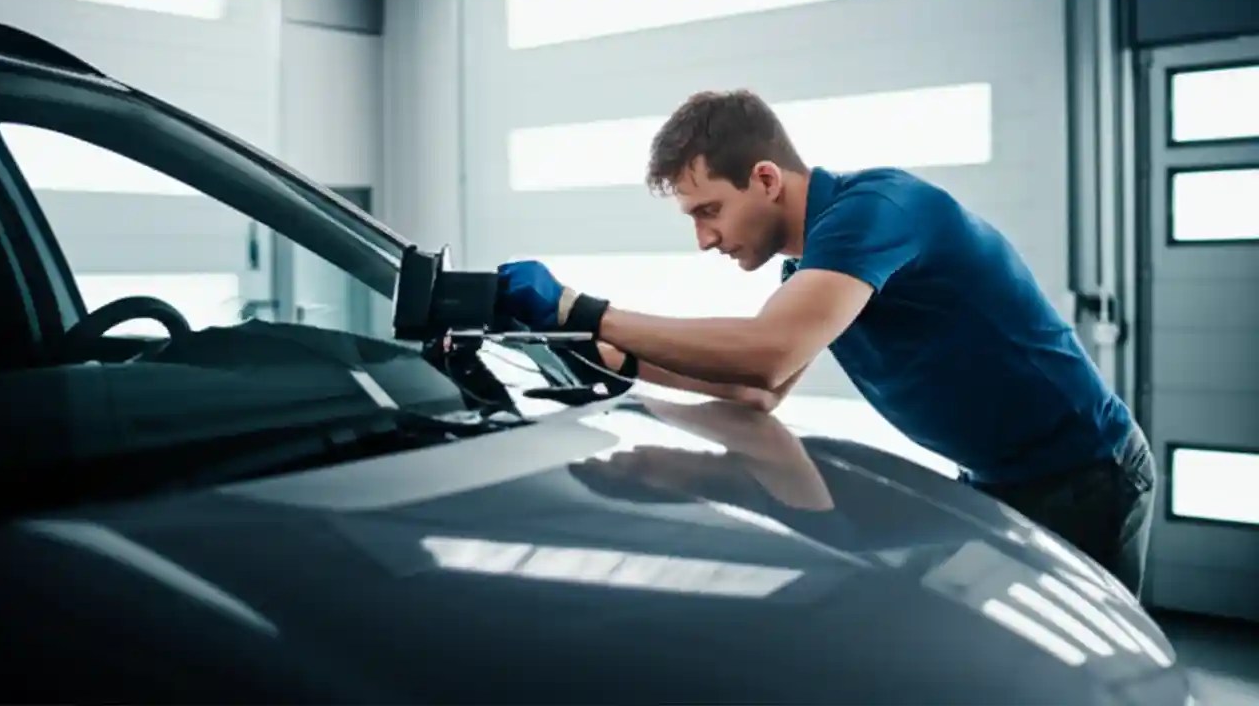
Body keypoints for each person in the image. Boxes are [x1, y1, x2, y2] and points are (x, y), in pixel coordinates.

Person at [494, 88, 1156, 597]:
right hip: (1002, 478)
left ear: (765, 179)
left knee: (1076, 679)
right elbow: (756, 390)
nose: (704, 239)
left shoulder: (879, 212)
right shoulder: (813, 264)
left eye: (709, 211)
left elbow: (768, 352)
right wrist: (606, 354)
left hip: (1088, 472)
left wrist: (578, 309)